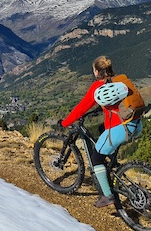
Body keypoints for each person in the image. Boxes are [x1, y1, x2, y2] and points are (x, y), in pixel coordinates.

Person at [60, 56, 143, 207]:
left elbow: (80, 108)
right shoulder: (119, 80)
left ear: (97, 72)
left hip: (120, 129)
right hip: (136, 124)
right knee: (101, 129)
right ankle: (111, 165)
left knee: (96, 158)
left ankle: (107, 195)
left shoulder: (97, 87)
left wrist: (65, 123)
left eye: (94, 70)